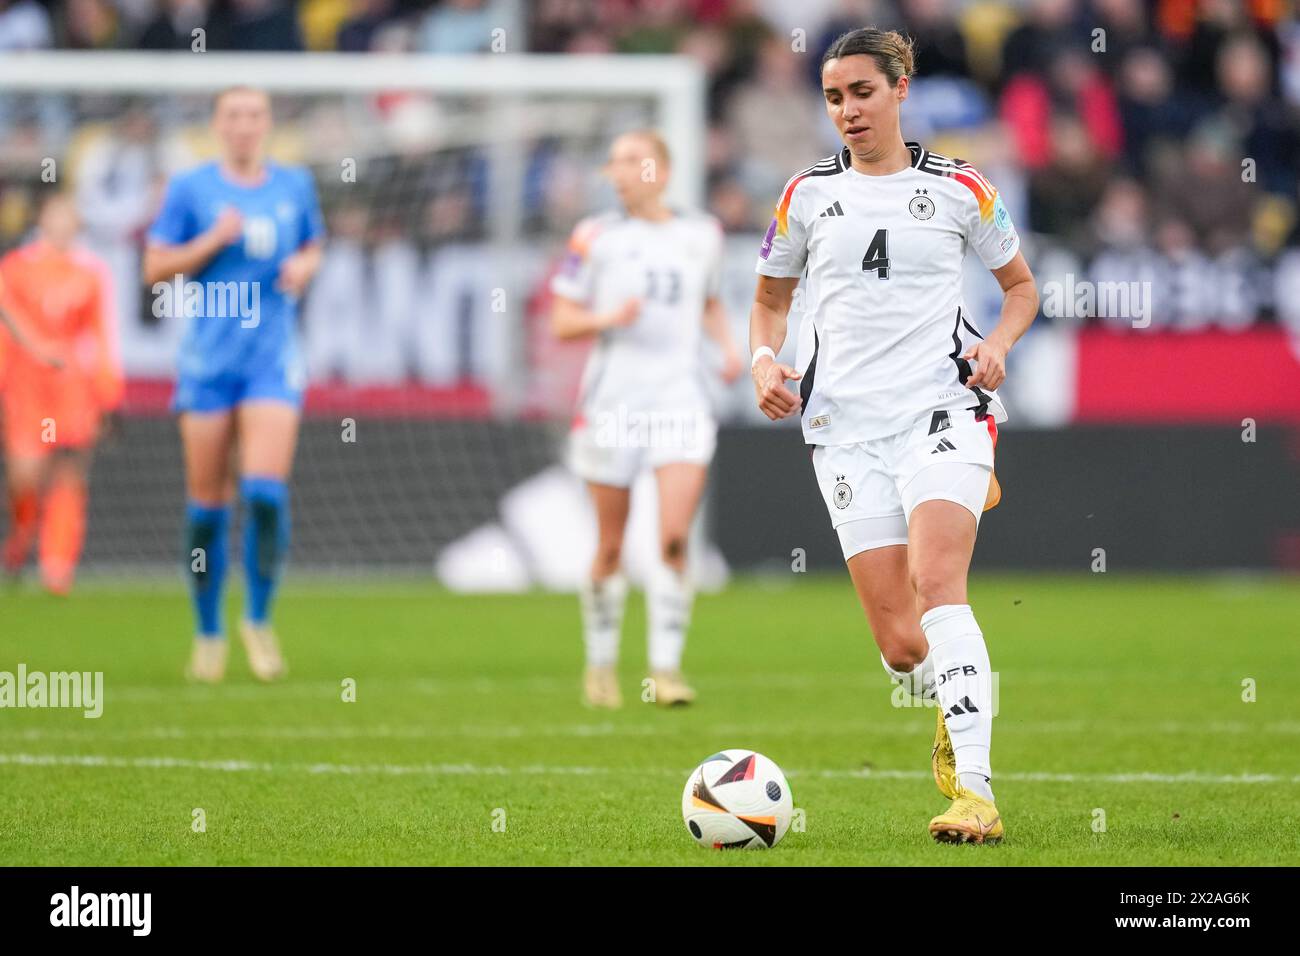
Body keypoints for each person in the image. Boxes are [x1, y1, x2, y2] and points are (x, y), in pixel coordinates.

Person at [749, 28, 1039, 843]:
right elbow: (769, 301)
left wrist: (997, 345)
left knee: (940, 581)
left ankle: (975, 793)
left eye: (863, 93)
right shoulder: (805, 195)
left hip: (942, 411)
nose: (848, 111)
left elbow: (1020, 288)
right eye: (835, 98)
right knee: (903, 645)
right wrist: (764, 362)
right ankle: (947, 694)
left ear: (901, 88)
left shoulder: (961, 188)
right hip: (845, 429)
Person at [551, 130, 742, 709]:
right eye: (614, 162)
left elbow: (707, 300)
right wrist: (608, 315)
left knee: (675, 537)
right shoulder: (594, 237)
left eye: (633, 160)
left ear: (662, 168)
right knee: (610, 545)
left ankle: (665, 668)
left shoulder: (702, 233)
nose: (620, 171)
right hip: (614, 400)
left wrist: (729, 347)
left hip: (680, 397)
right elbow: (563, 321)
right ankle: (602, 665)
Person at [143, 86, 323, 683]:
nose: (245, 126)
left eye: (254, 116)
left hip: (271, 358)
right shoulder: (191, 189)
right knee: (206, 510)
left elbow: (313, 243)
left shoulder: (293, 185)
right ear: (218, 126)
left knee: (266, 493)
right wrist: (209, 242)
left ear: (268, 124)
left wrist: (304, 266)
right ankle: (208, 631)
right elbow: (154, 267)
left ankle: (259, 618)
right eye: (234, 116)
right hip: (207, 363)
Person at [0, 193, 123, 593]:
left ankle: (57, 563)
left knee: (69, 474)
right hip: (26, 384)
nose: (63, 224)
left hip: (70, 387)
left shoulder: (90, 272)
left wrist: (107, 392)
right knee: (25, 475)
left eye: (70, 217)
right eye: (56, 215)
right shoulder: (15, 268)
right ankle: (20, 540)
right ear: (43, 219)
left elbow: (101, 334)